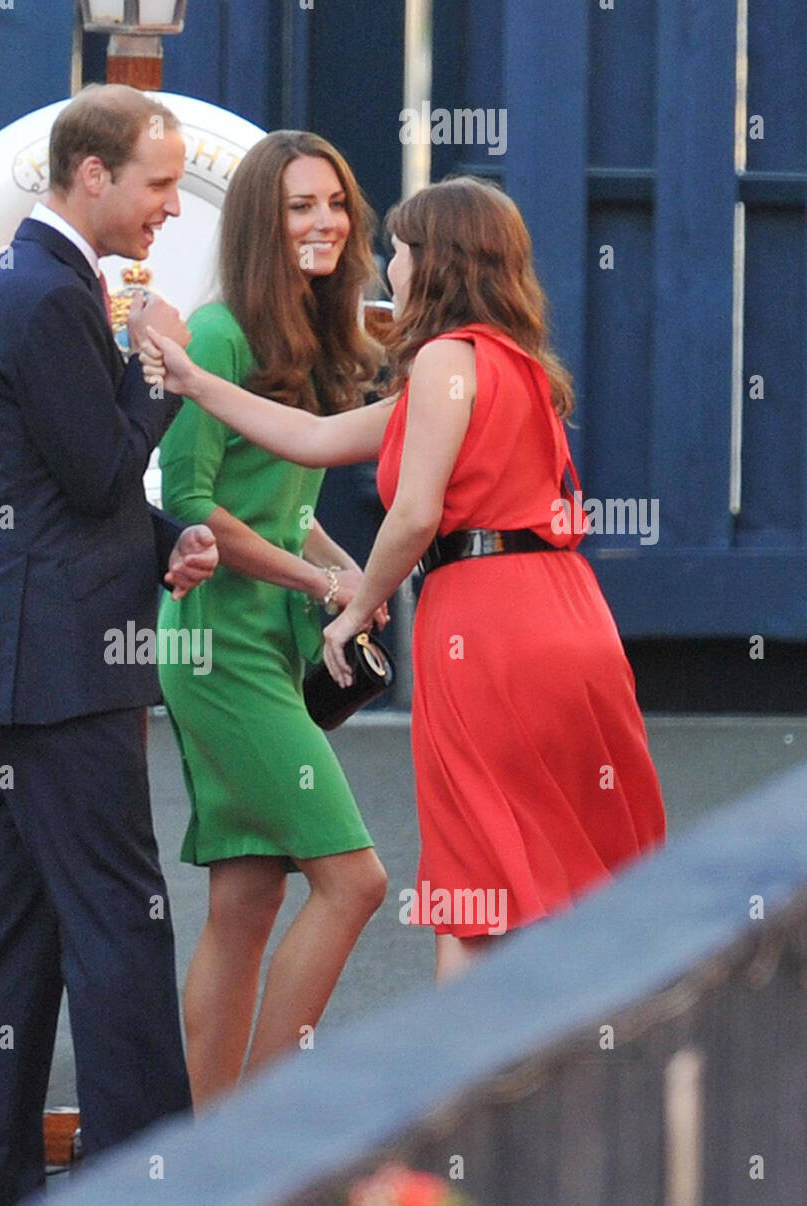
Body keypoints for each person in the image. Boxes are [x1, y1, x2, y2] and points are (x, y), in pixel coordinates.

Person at [143, 175, 666, 984]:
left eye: (401, 250)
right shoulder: (516, 367)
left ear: (435, 263)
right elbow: (313, 437)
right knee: (578, 859)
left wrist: (353, 608)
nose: (387, 264)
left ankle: (461, 1096)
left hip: (484, 626)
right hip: (573, 620)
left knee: (471, 880)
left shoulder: (445, 362)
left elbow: (415, 512)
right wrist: (198, 381)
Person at [0, 84, 218, 1206]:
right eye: (157, 184)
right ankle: (152, 1194)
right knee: (122, 922)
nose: (171, 208)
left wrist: (158, 539)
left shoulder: (35, 286)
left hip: (38, 656)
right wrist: (161, 365)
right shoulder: (43, 296)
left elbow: (64, 491)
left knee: (17, 927)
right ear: (91, 178)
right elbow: (93, 471)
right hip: (62, 668)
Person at [156, 131, 389, 1110]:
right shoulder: (218, 336)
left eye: (333, 202)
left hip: (264, 636)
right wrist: (315, 580)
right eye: (299, 205)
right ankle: (267, 1132)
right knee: (357, 880)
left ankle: (210, 1151)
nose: (324, 221)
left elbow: (281, 501)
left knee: (246, 903)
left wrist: (349, 571)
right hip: (219, 647)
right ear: (261, 219)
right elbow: (187, 497)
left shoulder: (315, 335)